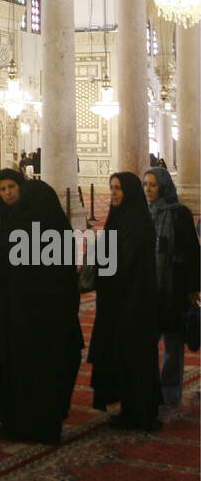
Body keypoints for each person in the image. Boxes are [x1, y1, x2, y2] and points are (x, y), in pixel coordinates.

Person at [0, 169, 82, 446]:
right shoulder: (59, 231)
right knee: (49, 373)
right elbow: (71, 278)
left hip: (19, 322)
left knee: (22, 374)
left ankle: (20, 425)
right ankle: (47, 427)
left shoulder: (17, 231)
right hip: (54, 322)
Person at [89, 171, 162, 431]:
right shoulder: (117, 220)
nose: (114, 193)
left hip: (136, 304)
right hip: (119, 304)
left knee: (137, 360)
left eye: (118, 188)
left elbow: (126, 264)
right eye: (112, 188)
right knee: (123, 359)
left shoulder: (138, 224)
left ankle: (142, 413)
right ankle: (130, 410)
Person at [144, 165, 201, 407]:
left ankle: (170, 391)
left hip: (174, 289)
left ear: (164, 186)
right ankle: (147, 389)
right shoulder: (143, 213)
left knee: (173, 344)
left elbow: (191, 253)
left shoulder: (180, 214)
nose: (148, 189)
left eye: (153, 185)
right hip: (149, 289)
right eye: (145, 184)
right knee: (146, 342)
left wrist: (192, 288)